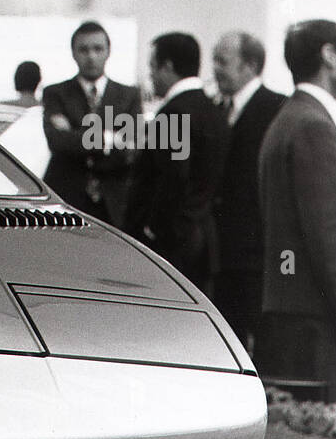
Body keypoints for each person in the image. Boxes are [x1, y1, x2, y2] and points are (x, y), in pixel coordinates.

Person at [257, 20, 336, 395]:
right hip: (315, 321)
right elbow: (328, 237)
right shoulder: (313, 126)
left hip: (290, 311)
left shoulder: (289, 119)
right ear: (329, 56)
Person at [127, 32, 228, 293]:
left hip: (172, 245)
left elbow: (174, 178)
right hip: (205, 242)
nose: (150, 76)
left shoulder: (173, 113)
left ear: (168, 66)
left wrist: (152, 230)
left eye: (152, 67)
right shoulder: (214, 111)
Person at [210, 31, 286, 352]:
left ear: (250, 65)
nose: (214, 68)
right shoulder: (214, 107)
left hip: (256, 249)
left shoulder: (277, 108)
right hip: (221, 248)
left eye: (222, 61)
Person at [41, 21, 144, 224]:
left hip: (113, 201)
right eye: (83, 49)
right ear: (73, 53)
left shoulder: (129, 95)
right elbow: (57, 142)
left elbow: (131, 149)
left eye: (98, 49)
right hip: (66, 198)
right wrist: (109, 138)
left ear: (108, 52)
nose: (91, 56)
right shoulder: (56, 93)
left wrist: (76, 136)